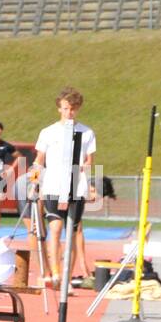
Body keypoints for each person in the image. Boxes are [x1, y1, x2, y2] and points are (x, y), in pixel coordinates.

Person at [31, 87, 96, 287]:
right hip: (52, 185)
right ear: (60, 108)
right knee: (55, 227)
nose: (70, 112)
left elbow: (89, 161)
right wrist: (34, 181)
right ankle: (56, 274)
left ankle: (67, 277)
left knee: (73, 232)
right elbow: (39, 160)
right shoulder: (48, 132)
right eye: (66, 108)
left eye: (74, 109)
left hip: (75, 187)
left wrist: (89, 182)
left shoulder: (86, 133)